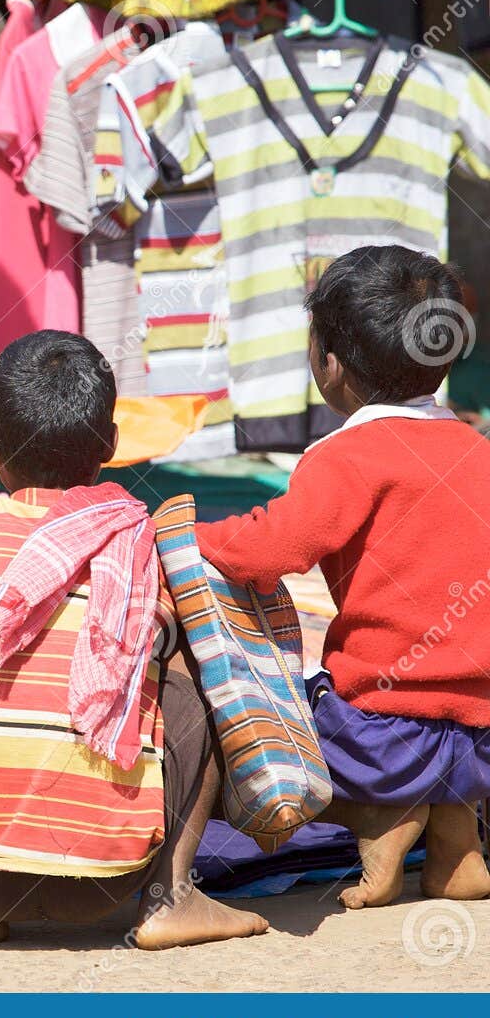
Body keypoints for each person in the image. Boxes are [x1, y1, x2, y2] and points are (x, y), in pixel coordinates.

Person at [0, 331, 269, 949]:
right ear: (113, 446)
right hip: (109, 881)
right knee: (193, 679)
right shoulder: (136, 541)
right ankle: (172, 897)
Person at [197, 246, 490, 910]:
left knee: (288, 714)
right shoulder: (478, 450)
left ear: (328, 362)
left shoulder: (344, 457)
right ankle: (456, 842)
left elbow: (270, 548)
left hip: (377, 737)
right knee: (450, 728)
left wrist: (196, 535)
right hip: (483, 736)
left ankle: (385, 823)